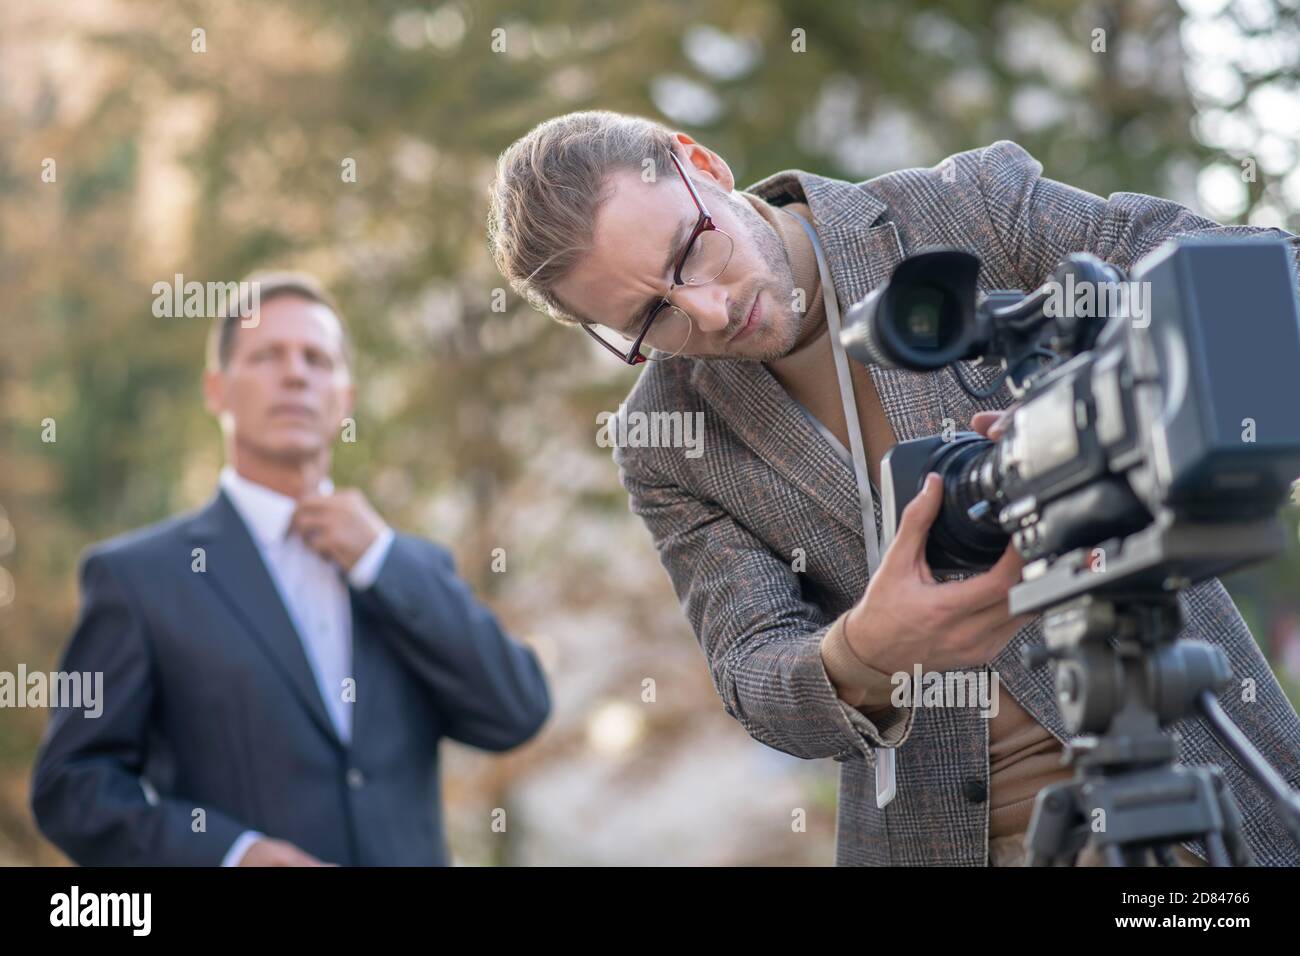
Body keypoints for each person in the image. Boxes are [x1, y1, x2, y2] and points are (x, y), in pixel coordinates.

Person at [487, 109, 1300, 866]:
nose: (706, 311)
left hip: (1197, 777)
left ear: (702, 163)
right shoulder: (665, 438)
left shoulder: (968, 206)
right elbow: (755, 676)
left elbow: (1259, 282)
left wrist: (1097, 398)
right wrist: (863, 650)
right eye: (651, 318)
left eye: (688, 252)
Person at [31, 273, 550, 866]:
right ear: (217, 391)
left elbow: (515, 711)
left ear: (345, 399)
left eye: (317, 359)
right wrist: (232, 855)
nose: (296, 374)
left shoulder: (409, 568)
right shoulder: (138, 579)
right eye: (267, 356)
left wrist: (380, 559)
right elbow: (71, 786)